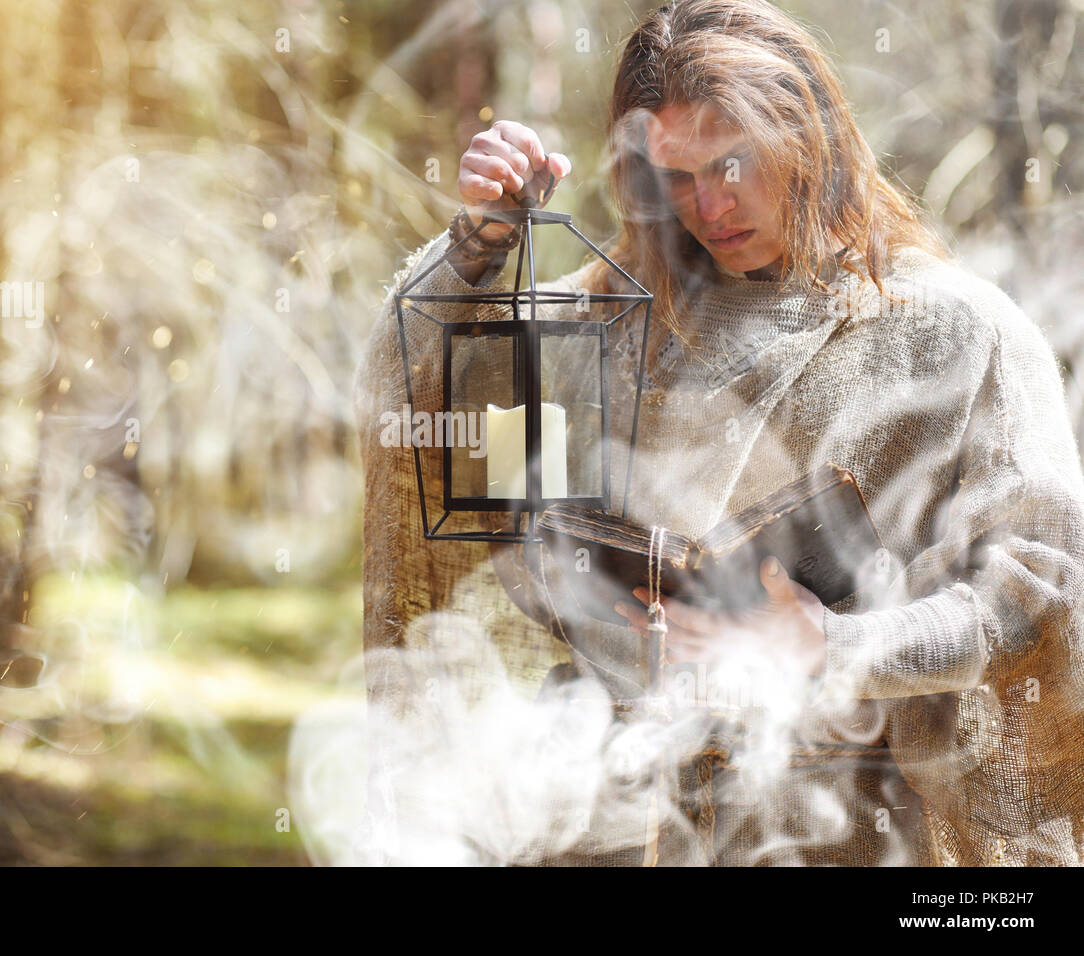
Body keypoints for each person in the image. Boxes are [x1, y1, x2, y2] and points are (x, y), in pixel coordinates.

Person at [354, 0, 1084, 865]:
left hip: (848, 828)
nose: (710, 204)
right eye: (677, 177)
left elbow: (1043, 595)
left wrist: (834, 644)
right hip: (613, 813)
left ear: (808, 137)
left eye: (734, 163)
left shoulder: (960, 333)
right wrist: (478, 246)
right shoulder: (611, 316)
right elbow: (415, 397)